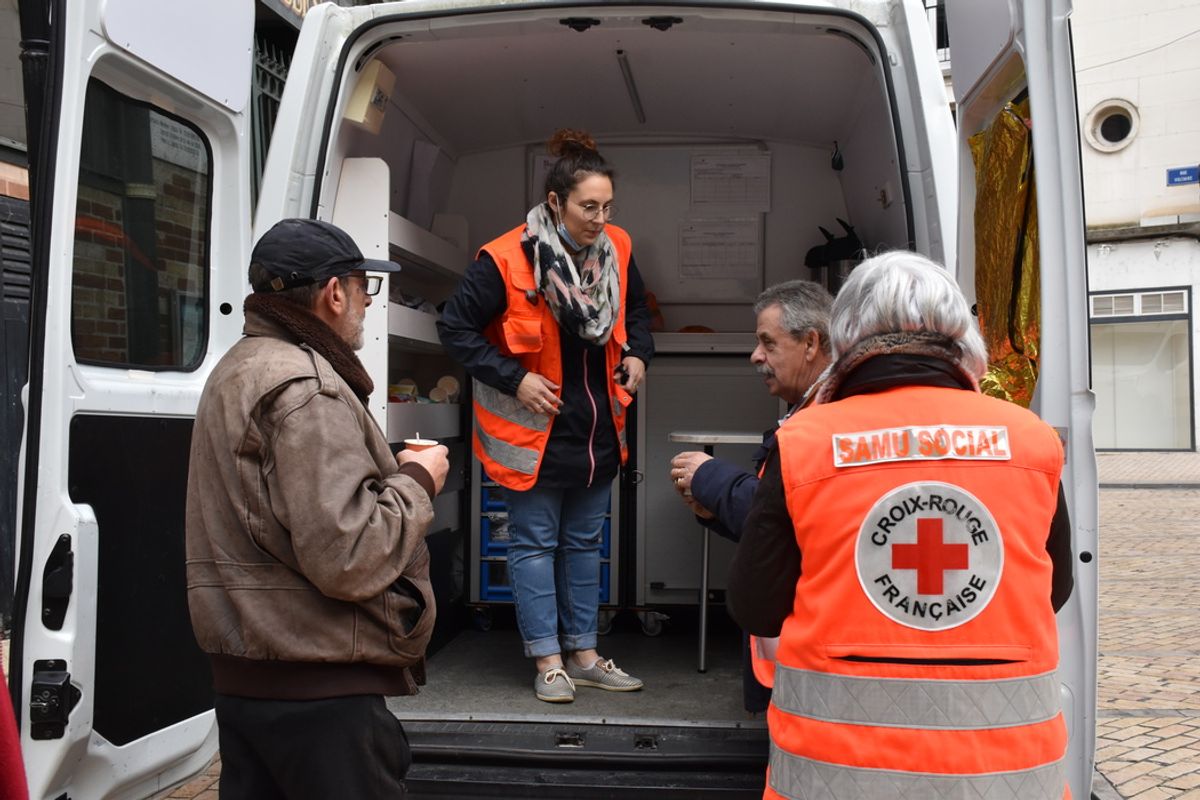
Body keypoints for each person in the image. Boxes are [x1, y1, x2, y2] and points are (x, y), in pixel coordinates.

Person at [728, 251, 1074, 799]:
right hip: (1006, 777)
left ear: (845, 334)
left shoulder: (804, 444)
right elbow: (1054, 589)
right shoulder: (1031, 440)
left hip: (836, 775)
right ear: (958, 331)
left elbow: (756, 607)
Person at [186, 218, 450, 799]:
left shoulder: (234, 368)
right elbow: (349, 555)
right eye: (363, 287)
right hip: (320, 695)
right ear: (333, 293)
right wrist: (417, 480)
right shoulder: (307, 386)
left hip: (250, 682)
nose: (367, 303)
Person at [438, 129, 654, 703]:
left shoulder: (618, 246)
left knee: (584, 544)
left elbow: (637, 311)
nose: (600, 220)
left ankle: (584, 654)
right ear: (556, 202)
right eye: (589, 207)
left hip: (597, 429)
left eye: (608, 207)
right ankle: (548, 661)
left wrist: (639, 354)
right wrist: (516, 378)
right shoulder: (504, 257)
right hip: (533, 434)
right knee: (534, 544)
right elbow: (454, 330)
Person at [667, 279, 832, 712]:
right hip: (791, 664)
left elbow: (789, 516)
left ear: (811, 343)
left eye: (768, 343)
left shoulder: (829, 421)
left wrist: (711, 477)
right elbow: (770, 525)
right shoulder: (807, 413)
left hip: (805, 668)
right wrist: (713, 511)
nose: (756, 355)